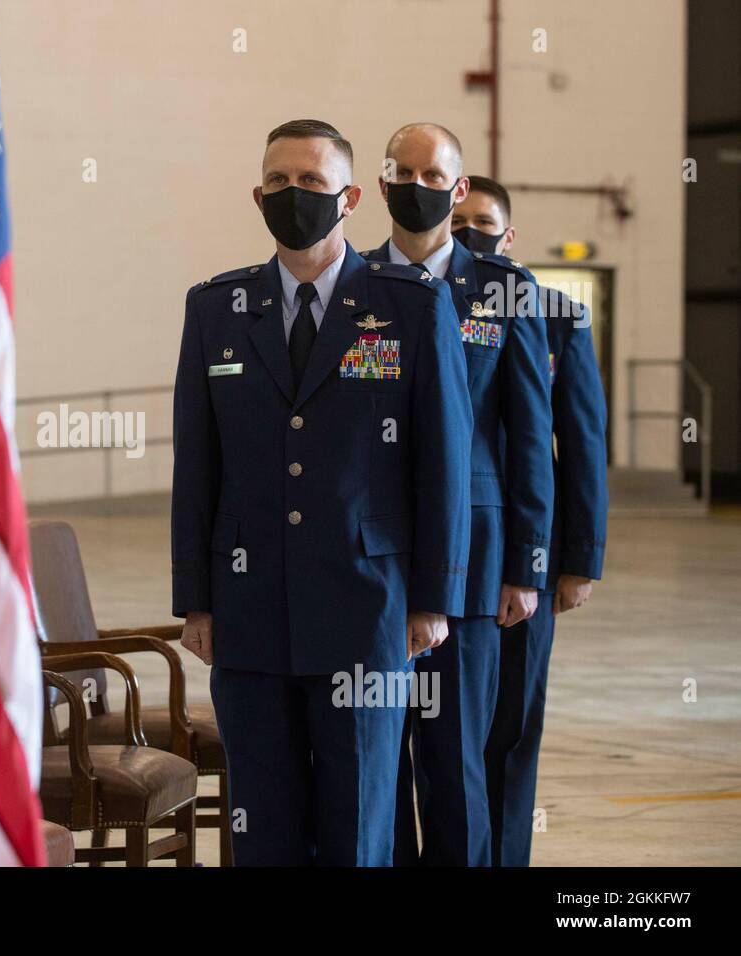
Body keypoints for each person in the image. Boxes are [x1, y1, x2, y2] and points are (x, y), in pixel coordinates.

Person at [171, 119, 472, 866]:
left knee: (359, 823)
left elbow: (444, 461)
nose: (293, 194)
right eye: (278, 181)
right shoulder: (217, 309)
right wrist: (197, 599)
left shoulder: (411, 305)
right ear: (257, 195)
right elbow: (196, 466)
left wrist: (434, 599)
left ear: (350, 197)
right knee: (261, 825)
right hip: (250, 615)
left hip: (369, 611)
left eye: (311, 182)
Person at [366, 125, 554, 867]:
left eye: (433, 172)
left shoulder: (506, 290)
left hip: (475, 568)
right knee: (379, 765)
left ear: (460, 187)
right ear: (381, 184)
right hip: (370, 562)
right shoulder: (351, 281)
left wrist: (528, 567)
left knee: (456, 766)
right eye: (403, 171)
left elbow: (531, 435)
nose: (418, 184)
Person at [454, 176, 609, 866]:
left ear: (508, 237)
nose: (468, 234)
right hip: (427, 557)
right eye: (457, 221)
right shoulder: (396, 303)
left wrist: (577, 560)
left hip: (522, 559)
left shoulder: (555, 315)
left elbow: (580, 446)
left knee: (509, 727)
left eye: (482, 222)